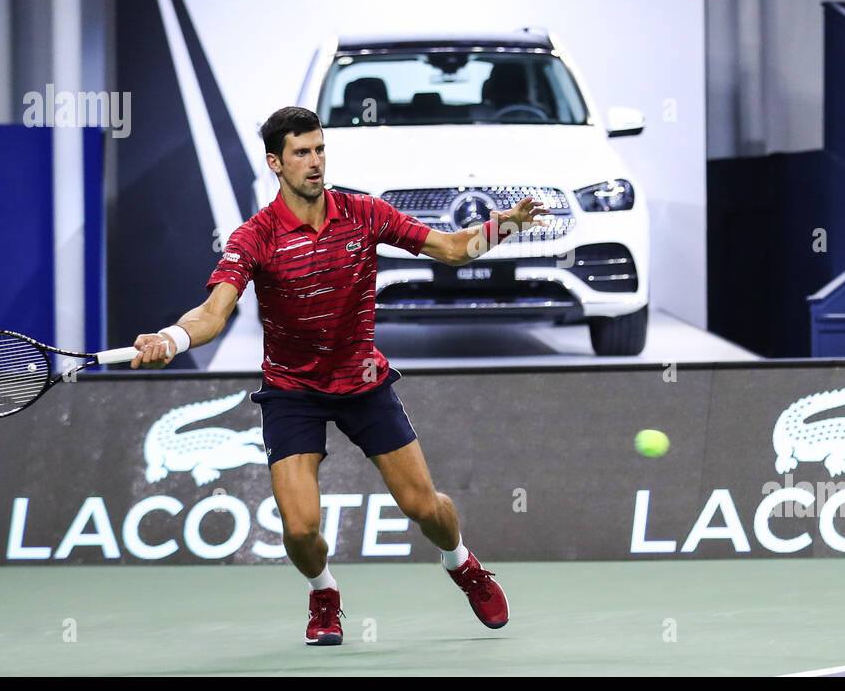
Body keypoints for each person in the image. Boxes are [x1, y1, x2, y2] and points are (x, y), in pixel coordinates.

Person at [126, 106, 551, 645]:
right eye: (301, 152)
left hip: (363, 381)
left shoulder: (363, 213)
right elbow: (213, 311)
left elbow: (448, 249)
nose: (315, 162)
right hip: (292, 391)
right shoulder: (255, 237)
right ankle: (323, 593)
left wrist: (506, 224)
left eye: (320, 149)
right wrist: (174, 338)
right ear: (275, 163)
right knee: (301, 528)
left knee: (426, 508)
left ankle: (461, 563)